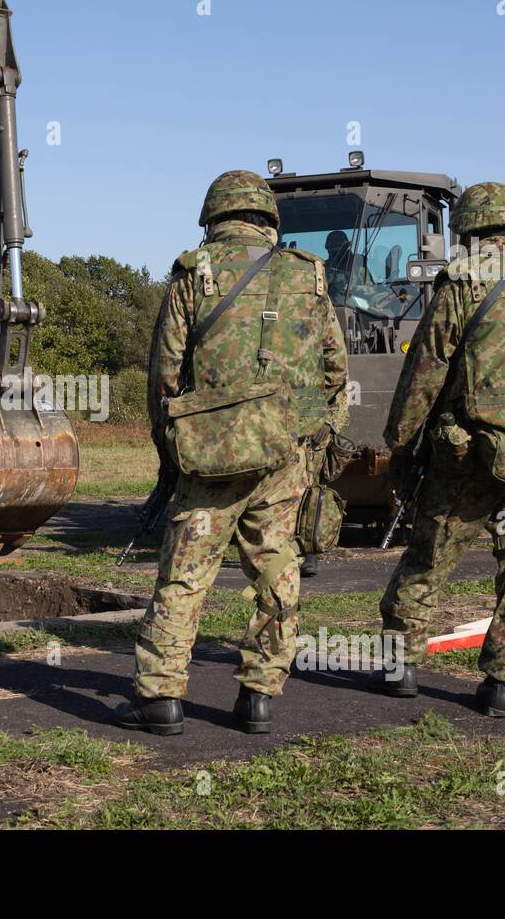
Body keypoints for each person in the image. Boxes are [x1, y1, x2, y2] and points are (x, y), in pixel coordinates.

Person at [116, 170, 349, 735]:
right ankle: (259, 696)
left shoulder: (192, 275)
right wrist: (310, 443)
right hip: (284, 457)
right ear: (269, 219)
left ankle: (161, 698)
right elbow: (336, 374)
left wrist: (173, 451)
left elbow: (163, 378)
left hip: (209, 455)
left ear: (212, 219)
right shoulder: (309, 275)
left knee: (185, 574)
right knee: (277, 569)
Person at [371, 182, 505, 716]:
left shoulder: (463, 281)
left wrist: (400, 441)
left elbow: (427, 368)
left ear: (468, 227)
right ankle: (502, 683)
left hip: (466, 455)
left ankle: (402, 668)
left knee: (428, 557)